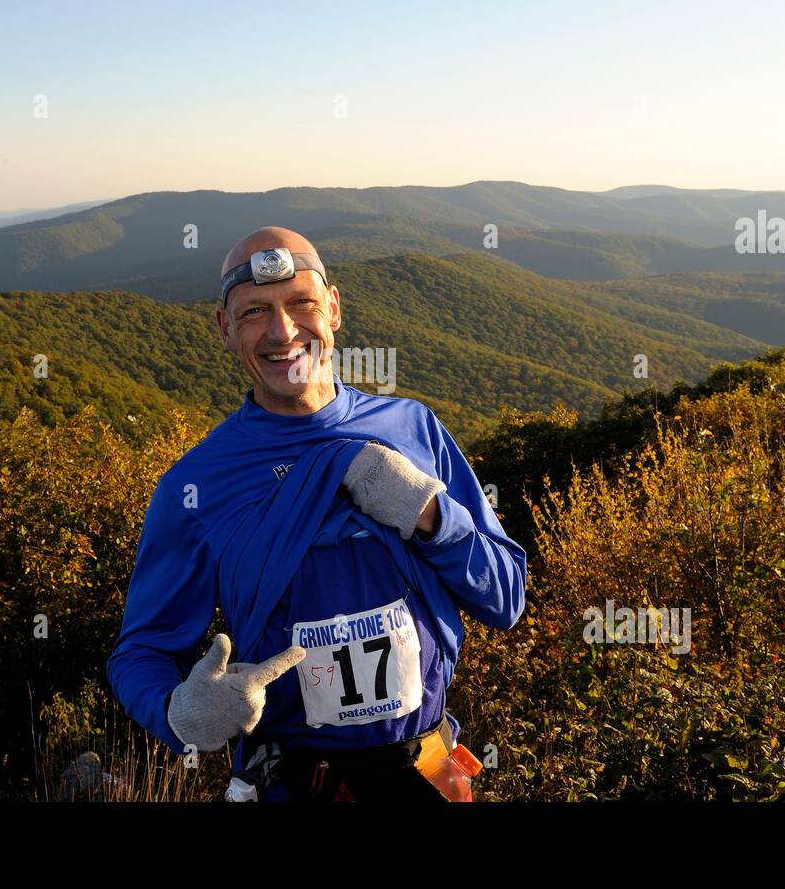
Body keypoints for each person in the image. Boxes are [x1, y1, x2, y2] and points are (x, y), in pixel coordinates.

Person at [106, 226, 528, 801]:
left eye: (300, 303)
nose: (283, 331)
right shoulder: (196, 485)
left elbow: (505, 599)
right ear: (225, 330)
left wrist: (431, 515)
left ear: (332, 308)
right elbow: (142, 650)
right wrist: (177, 713)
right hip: (290, 784)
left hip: (427, 775)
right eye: (254, 312)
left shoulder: (414, 429)